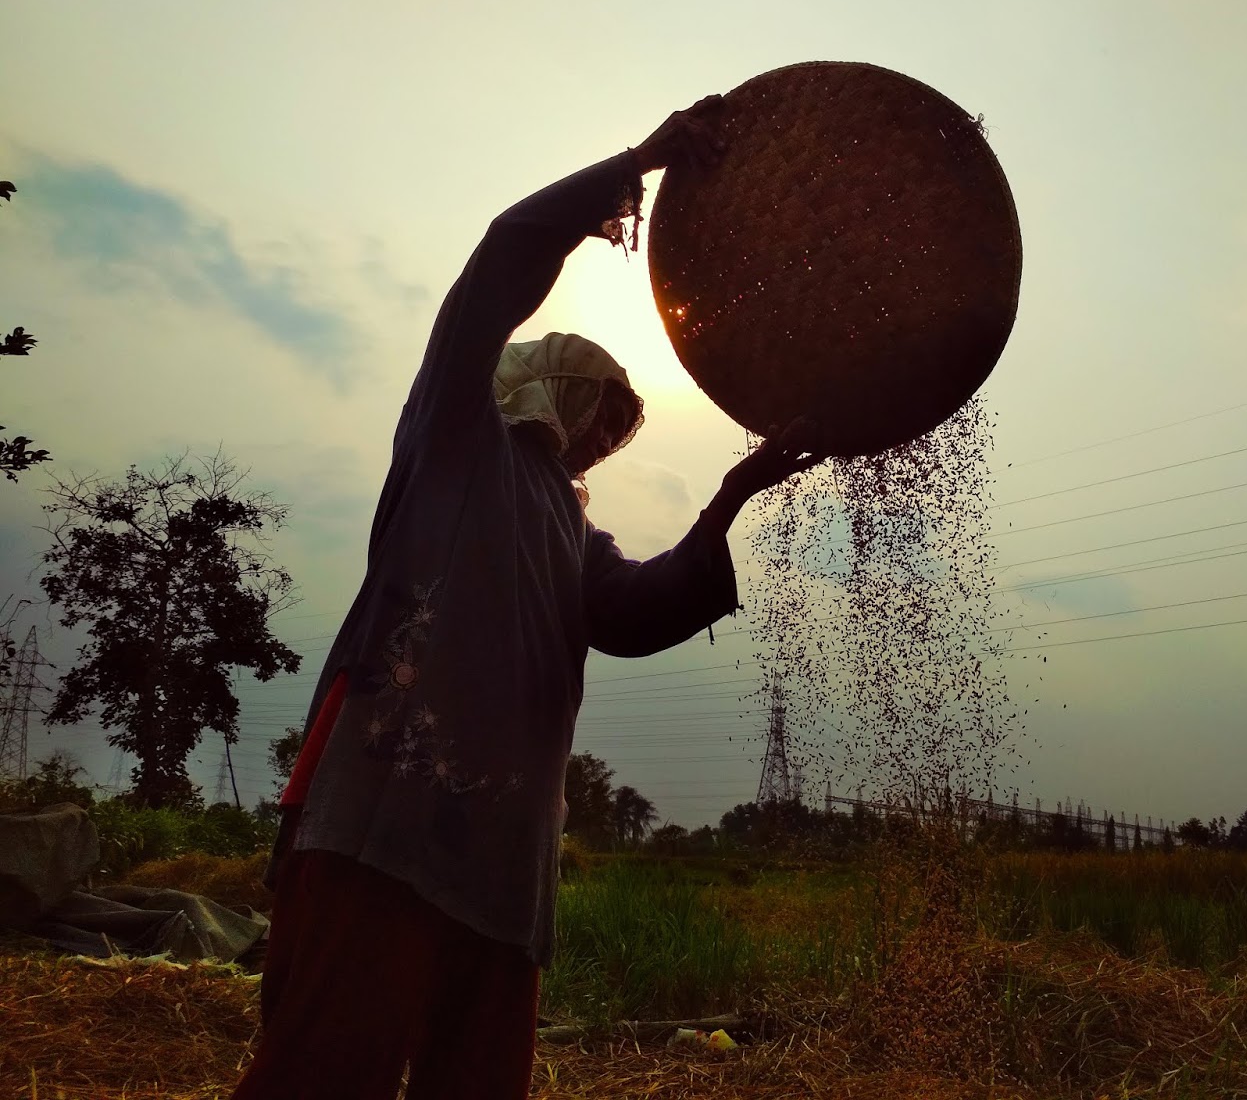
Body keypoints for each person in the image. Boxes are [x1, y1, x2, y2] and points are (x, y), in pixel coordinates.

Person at [232, 96, 822, 1100]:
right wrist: (634, 164)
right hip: (391, 810)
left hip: (505, 857)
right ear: (546, 389)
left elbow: (631, 616)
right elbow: (499, 260)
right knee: (327, 1068)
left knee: (475, 1078)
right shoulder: (455, 432)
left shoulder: (572, 529)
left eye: (622, 428)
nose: (604, 439)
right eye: (600, 411)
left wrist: (730, 496)